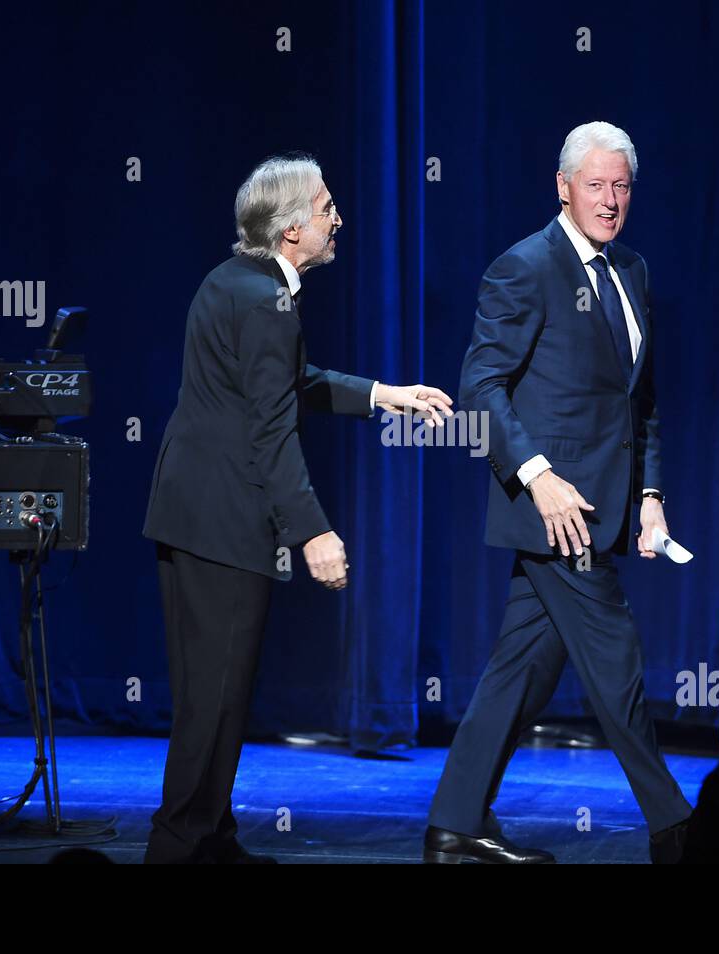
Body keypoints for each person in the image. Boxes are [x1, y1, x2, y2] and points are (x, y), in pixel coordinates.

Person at [142, 154, 452, 863]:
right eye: (325, 209)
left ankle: (209, 840)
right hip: (221, 521)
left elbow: (286, 382)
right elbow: (271, 429)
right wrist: (312, 530)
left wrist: (382, 394)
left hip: (193, 515)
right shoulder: (262, 301)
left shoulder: (239, 284)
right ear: (289, 231)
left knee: (215, 694)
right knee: (213, 699)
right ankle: (179, 846)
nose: (336, 219)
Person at [425, 121, 692, 864]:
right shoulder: (525, 268)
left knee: (522, 671)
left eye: (622, 186)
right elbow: (479, 388)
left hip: (609, 507)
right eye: (596, 185)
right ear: (563, 186)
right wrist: (537, 477)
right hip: (556, 514)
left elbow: (639, 400)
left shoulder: (631, 269)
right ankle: (676, 829)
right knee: (618, 663)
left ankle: (454, 823)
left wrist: (650, 494)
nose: (610, 200)